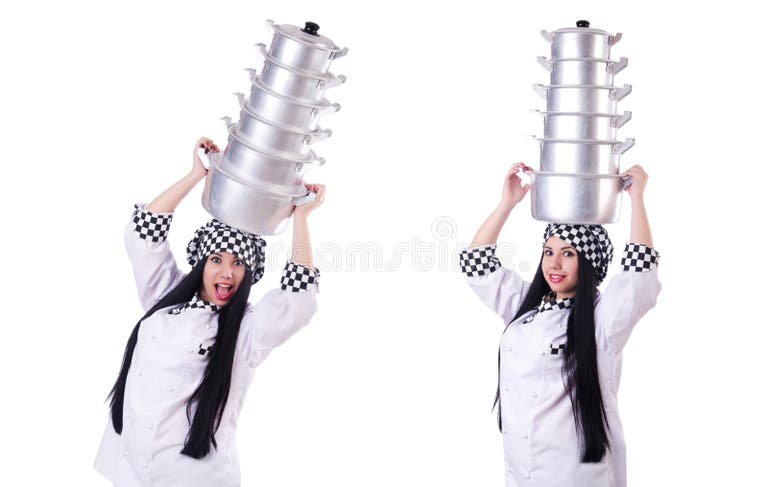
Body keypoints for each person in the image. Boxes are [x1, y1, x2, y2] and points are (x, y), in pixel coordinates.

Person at [94, 137, 323, 486]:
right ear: (201, 262)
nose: (226, 273)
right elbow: (142, 235)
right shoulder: (164, 294)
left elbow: (299, 301)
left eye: (238, 264)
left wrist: (302, 218)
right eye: (216, 260)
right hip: (130, 465)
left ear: (251, 273)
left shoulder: (247, 331)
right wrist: (196, 176)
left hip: (193, 476)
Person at [459, 162, 661, 487]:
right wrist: (507, 203)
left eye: (568, 253)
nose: (553, 263)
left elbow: (639, 276)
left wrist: (637, 200)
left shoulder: (603, 320)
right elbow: (476, 264)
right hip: (522, 468)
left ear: (589, 262)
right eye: (548, 251)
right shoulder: (524, 308)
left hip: (578, 474)